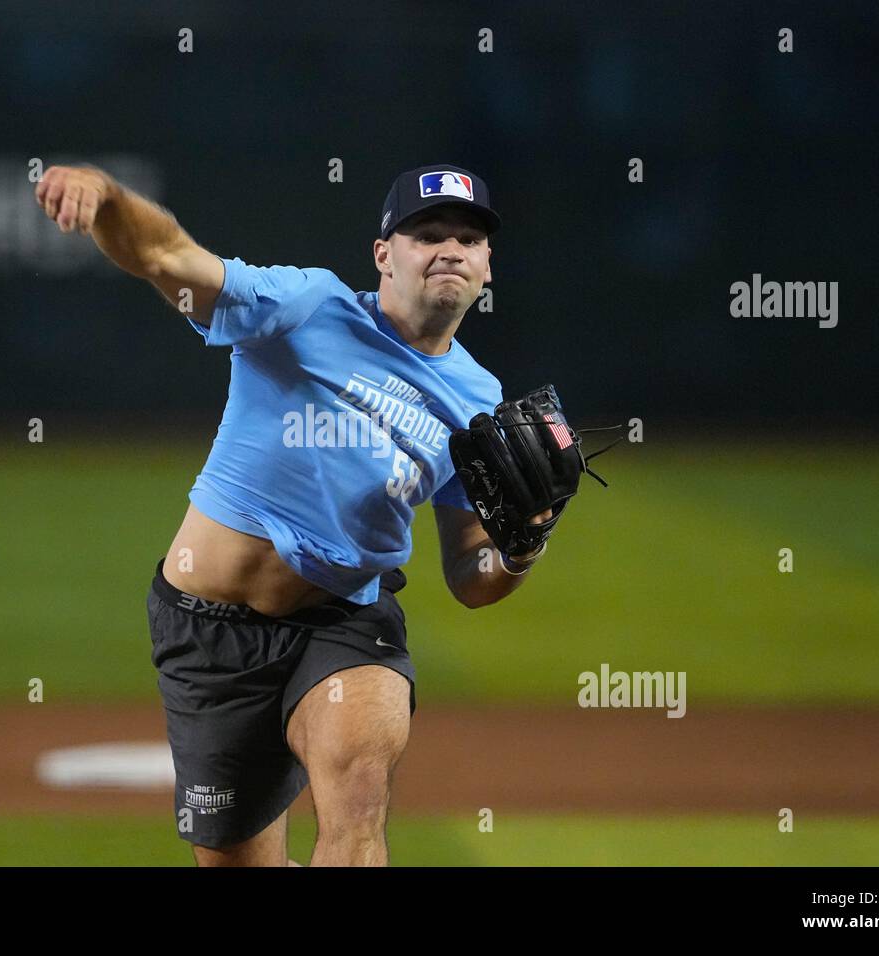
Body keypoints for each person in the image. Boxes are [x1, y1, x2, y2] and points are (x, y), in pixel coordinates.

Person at [35, 163, 551, 866]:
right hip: (208, 632)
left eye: (469, 237)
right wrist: (108, 197)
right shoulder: (309, 306)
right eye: (426, 233)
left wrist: (522, 548)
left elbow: (470, 572)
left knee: (359, 796)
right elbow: (167, 258)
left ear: (488, 266)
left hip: (345, 622)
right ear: (383, 255)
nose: (450, 249)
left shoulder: (476, 402)